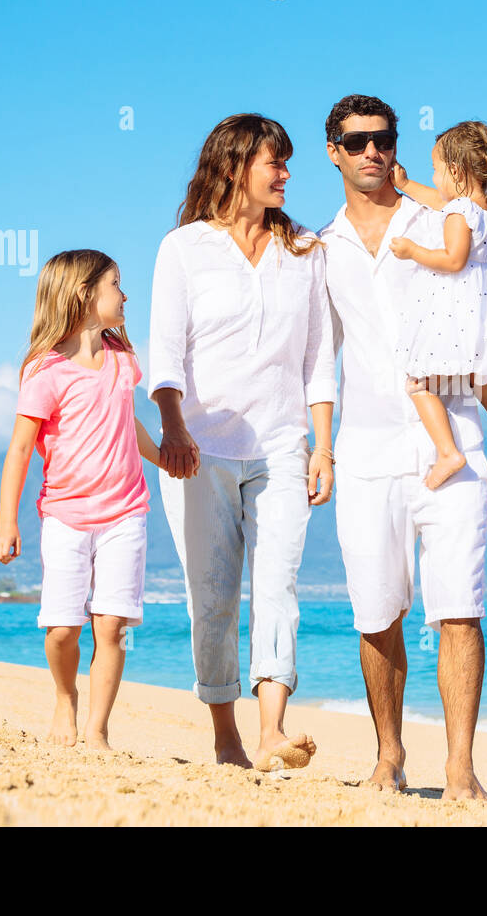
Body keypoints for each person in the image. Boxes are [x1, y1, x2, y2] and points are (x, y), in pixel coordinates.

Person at [319, 94, 487, 799]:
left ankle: (460, 770)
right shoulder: (318, 247)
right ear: (334, 150)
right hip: (362, 449)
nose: (372, 152)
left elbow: (485, 293)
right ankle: (388, 758)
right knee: (375, 608)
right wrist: (320, 445)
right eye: (357, 141)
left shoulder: (441, 219)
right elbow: (315, 356)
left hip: (452, 439)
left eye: (384, 139)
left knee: (459, 606)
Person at [149, 113, 335, 772]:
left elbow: (319, 358)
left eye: (286, 163)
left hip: (284, 443)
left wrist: (323, 444)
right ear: (233, 168)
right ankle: (225, 738)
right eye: (272, 162)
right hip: (200, 449)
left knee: (277, 579)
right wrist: (172, 428)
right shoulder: (184, 249)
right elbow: (166, 352)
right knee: (214, 592)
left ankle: (271, 730)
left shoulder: (306, 249)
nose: (285, 173)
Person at [0, 249, 160, 751]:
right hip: (66, 516)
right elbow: (21, 448)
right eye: (116, 284)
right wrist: (7, 523)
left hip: (126, 511)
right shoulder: (45, 372)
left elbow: (125, 421)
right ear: (85, 294)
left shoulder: (122, 359)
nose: (125, 294)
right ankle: (66, 699)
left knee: (111, 625)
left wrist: (162, 455)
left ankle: (97, 730)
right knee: (64, 629)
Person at [389, 120, 487, 490]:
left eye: (436, 169)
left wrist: (412, 251)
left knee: (418, 381)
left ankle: (448, 452)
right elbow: (445, 202)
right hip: (483, 306)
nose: (434, 177)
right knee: (482, 382)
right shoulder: (485, 206)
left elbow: (453, 259)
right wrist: (404, 185)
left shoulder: (458, 212)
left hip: (455, 306)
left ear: (455, 170)